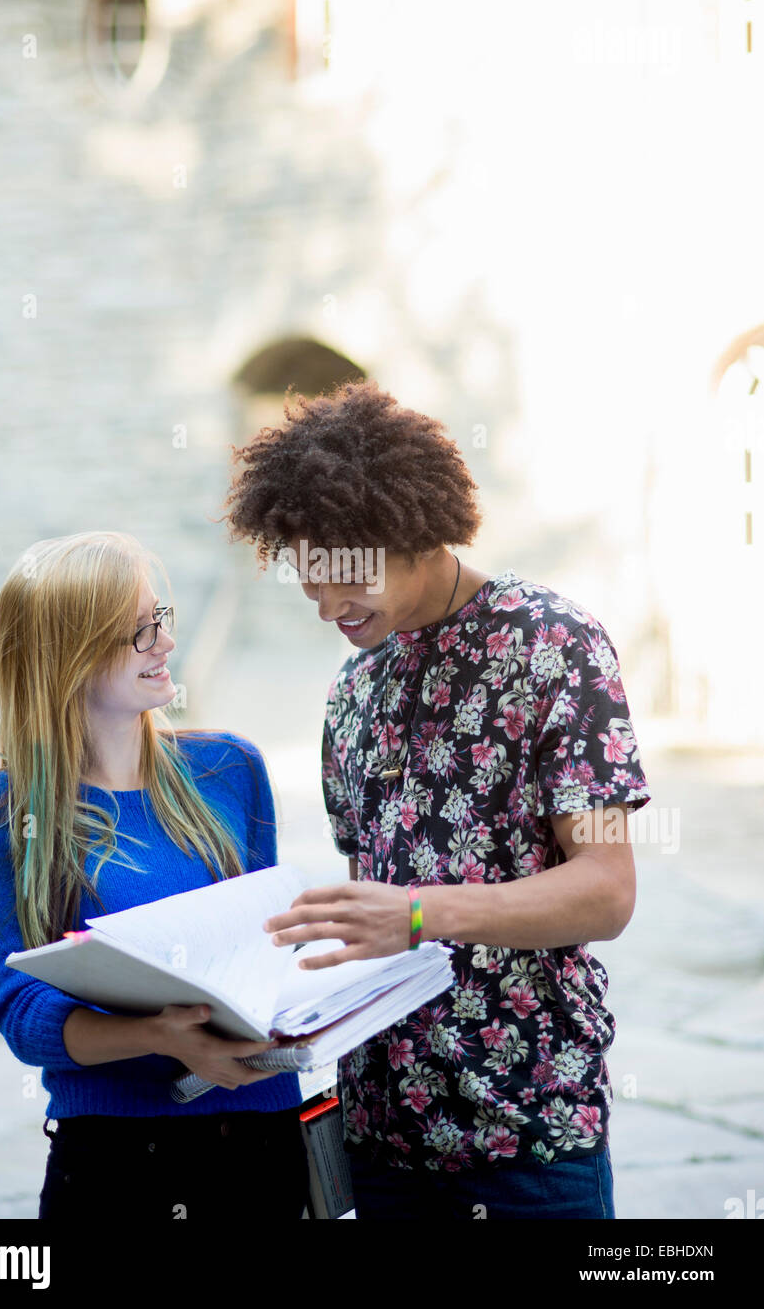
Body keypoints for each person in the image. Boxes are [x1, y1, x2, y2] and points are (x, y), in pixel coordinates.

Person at [222, 378, 652, 1220]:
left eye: (344, 580)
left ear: (413, 532)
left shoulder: (555, 647)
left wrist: (417, 913)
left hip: (525, 1135)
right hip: (379, 1138)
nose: (325, 608)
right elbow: (374, 906)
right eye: (308, 584)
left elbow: (606, 890)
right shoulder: (354, 688)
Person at [0, 530, 310, 1222]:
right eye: (138, 632)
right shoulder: (0, 812)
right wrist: (161, 1035)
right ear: (70, 658)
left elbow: (268, 951)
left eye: (159, 620)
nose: (165, 643)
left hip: (264, 1144)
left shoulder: (229, 769)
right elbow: (25, 1018)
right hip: (117, 1161)